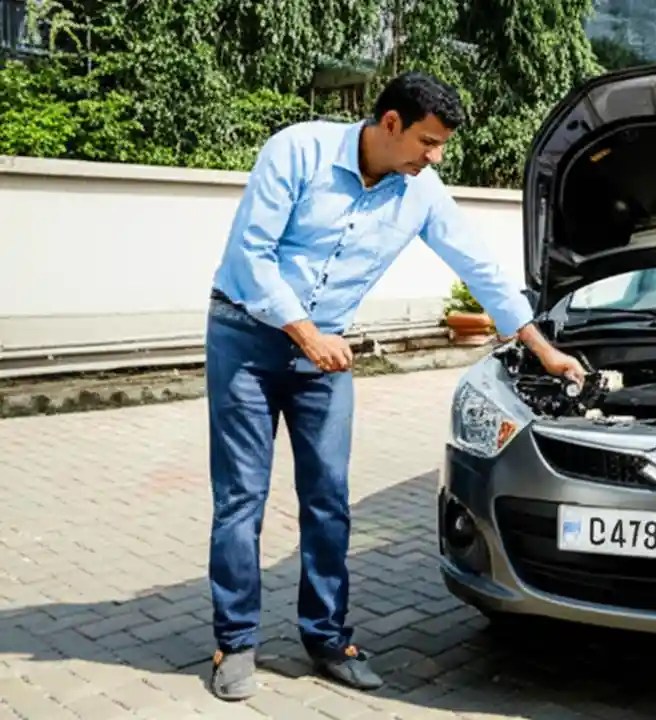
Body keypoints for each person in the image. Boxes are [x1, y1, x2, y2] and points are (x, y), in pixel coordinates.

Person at [202, 71, 586, 701]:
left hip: (323, 350)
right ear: (389, 124)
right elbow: (252, 254)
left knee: (328, 497)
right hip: (245, 335)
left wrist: (543, 350)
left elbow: (479, 267)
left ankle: (326, 637)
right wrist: (305, 334)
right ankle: (235, 642)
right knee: (241, 497)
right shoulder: (296, 151)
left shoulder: (421, 191)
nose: (433, 159)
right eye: (427, 142)